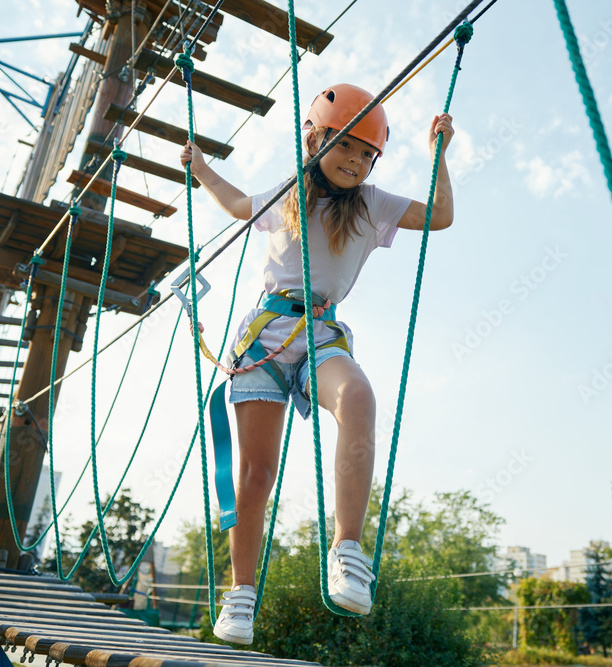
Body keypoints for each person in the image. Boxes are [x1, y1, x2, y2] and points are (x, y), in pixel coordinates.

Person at [179, 83, 455, 645]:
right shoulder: (286, 196)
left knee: (358, 398)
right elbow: (236, 206)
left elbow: (441, 216)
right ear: (316, 139)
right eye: (346, 146)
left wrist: (438, 155)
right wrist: (201, 167)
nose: (356, 161)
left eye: (366, 154)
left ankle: (347, 550)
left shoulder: (374, 204)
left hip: (322, 332)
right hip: (266, 337)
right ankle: (241, 595)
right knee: (258, 473)